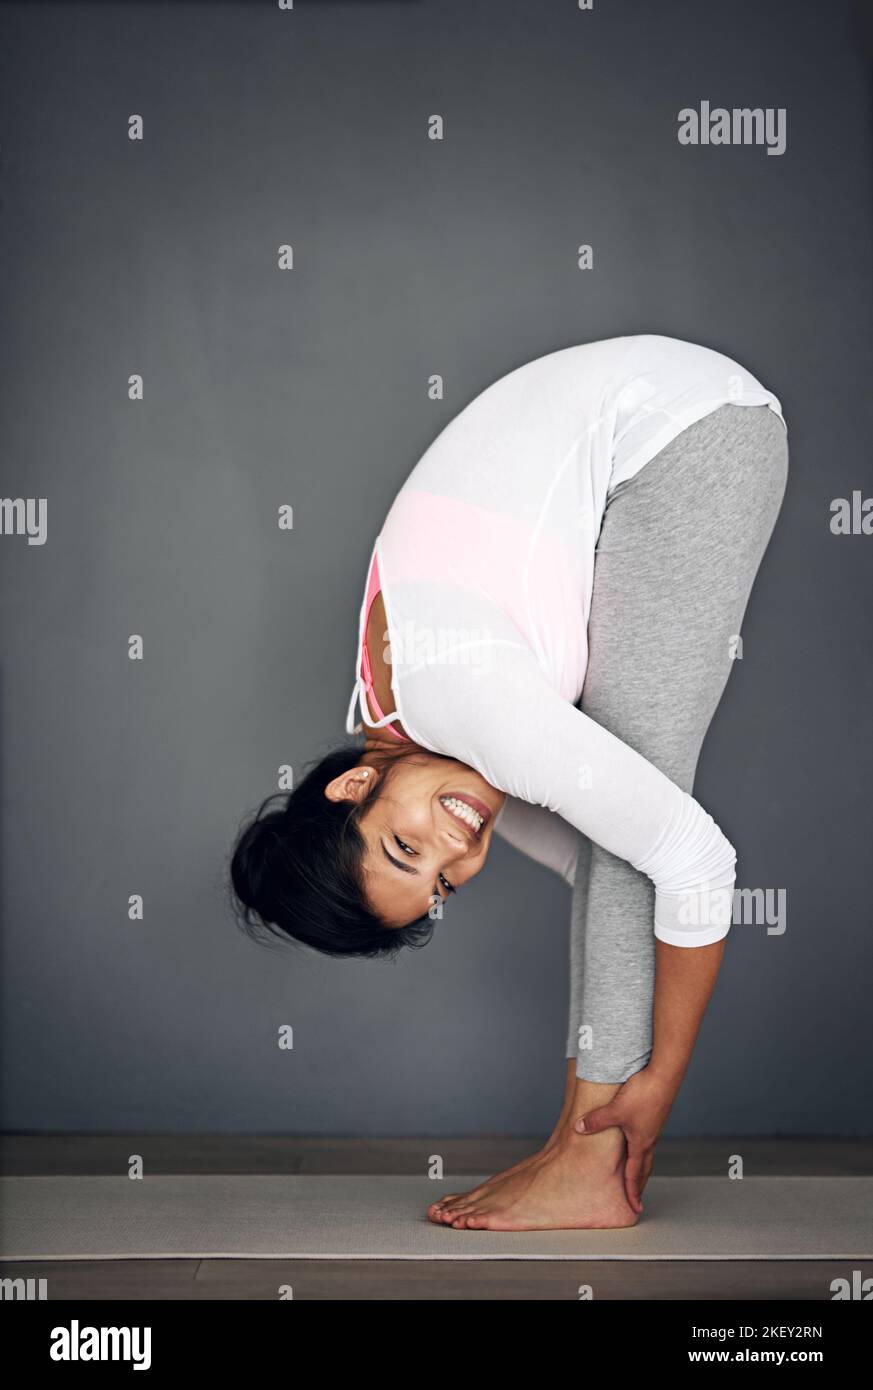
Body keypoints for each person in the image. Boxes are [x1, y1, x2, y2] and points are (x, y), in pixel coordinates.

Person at [229, 334, 789, 1230]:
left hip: (683, 433)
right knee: (620, 844)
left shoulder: (469, 708)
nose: (455, 849)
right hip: (658, 434)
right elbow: (606, 870)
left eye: (403, 848)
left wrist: (657, 1087)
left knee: (643, 825)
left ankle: (590, 1159)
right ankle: (573, 1148)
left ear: (349, 791)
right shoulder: (399, 725)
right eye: (440, 883)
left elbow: (691, 859)